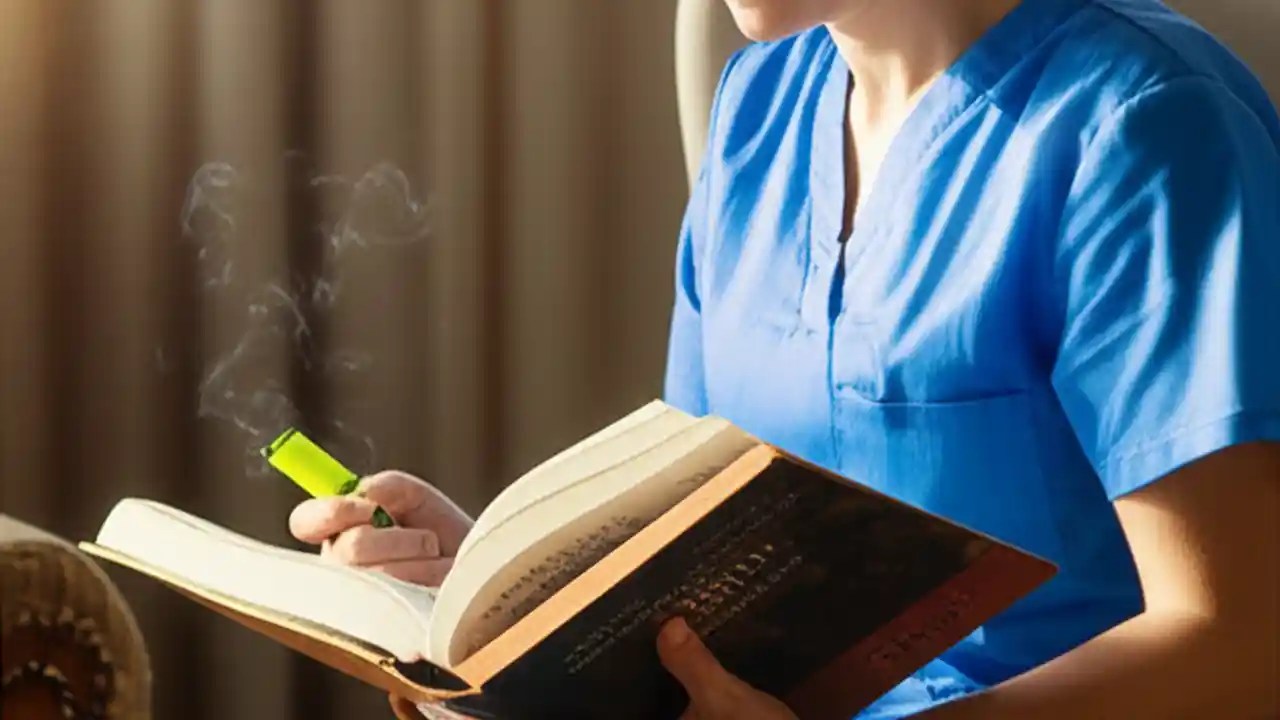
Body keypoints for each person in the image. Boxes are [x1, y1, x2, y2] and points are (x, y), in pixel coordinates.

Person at [290, 0, 1280, 717]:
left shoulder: (1142, 125)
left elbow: (1241, 646)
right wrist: (502, 612)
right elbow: (701, 558)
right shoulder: (760, 105)